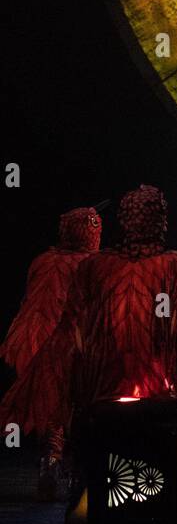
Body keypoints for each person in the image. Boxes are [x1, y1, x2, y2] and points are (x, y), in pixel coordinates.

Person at [0, 184, 177, 445]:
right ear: (160, 221)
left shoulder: (93, 266)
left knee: (90, 442)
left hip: (96, 386)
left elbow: (67, 333)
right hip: (149, 390)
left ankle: (64, 460)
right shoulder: (172, 266)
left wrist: (33, 387)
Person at [0, 206, 102, 498]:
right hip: (68, 344)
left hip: (33, 343)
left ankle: (51, 462)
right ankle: (65, 467)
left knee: (53, 409)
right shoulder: (93, 265)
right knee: (72, 407)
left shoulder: (42, 261)